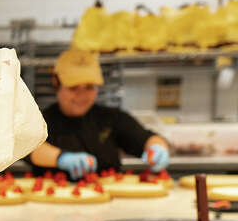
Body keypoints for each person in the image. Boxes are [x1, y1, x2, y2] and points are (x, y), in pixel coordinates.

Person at [28, 48, 170, 180]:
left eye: (89, 87)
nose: (81, 95)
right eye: (73, 87)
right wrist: (61, 158)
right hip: (51, 202)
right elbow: (27, 149)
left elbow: (147, 138)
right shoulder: (40, 120)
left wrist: (157, 148)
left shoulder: (112, 118)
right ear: (56, 83)